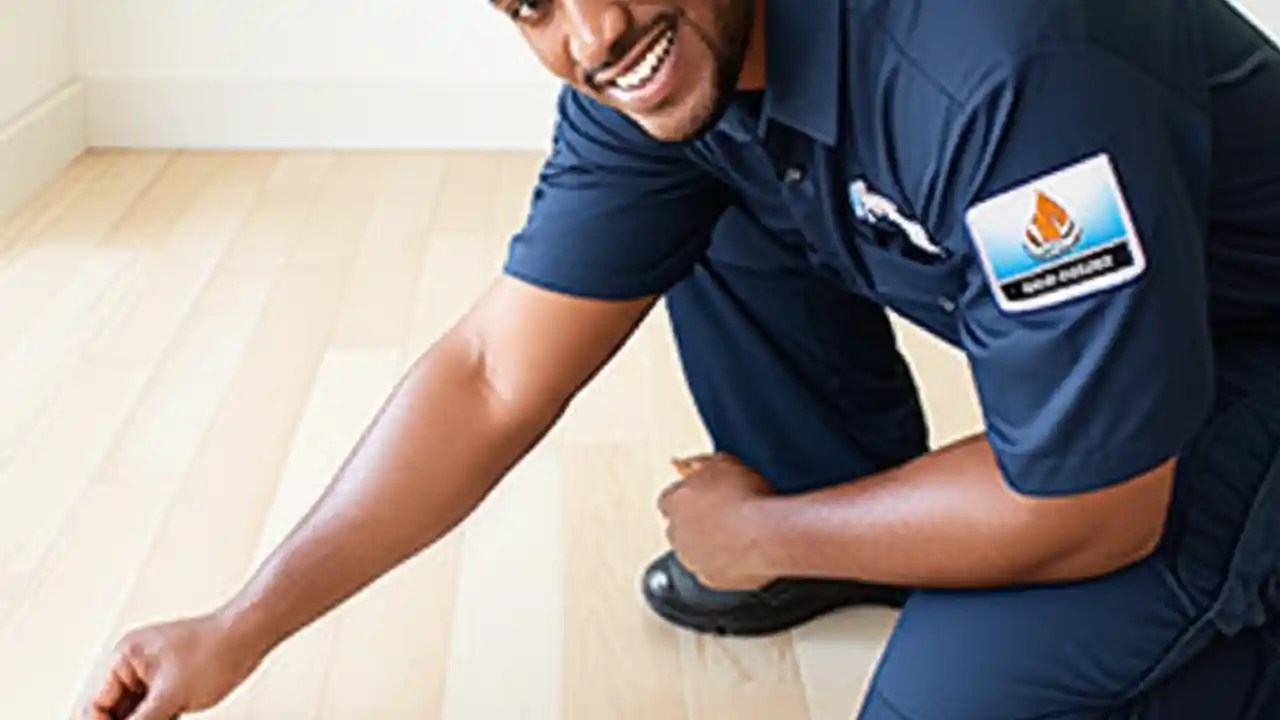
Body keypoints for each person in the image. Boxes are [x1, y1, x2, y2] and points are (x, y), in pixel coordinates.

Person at [86, 1, 1280, 718]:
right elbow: (495, 371)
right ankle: (865, 534)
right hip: (1128, 336)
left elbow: (1095, 504)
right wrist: (239, 625)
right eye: (529, 8)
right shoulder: (659, 64)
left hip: (1236, 364)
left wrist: (765, 534)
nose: (593, 35)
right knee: (704, 168)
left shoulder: (998, 65)